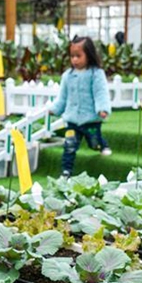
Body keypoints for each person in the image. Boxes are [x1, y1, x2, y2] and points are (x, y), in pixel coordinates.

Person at [50, 36, 112, 178]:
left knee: (94, 141)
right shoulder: (68, 76)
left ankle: (102, 145)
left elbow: (100, 92)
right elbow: (63, 97)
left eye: (78, 56)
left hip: (91, 119)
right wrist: (55, 109)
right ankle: (66, 171)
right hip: (72, 120)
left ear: (89, 55)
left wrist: (102, 108)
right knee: (69, 146)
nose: (75, 60)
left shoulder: (95, 74)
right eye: (72, 56)